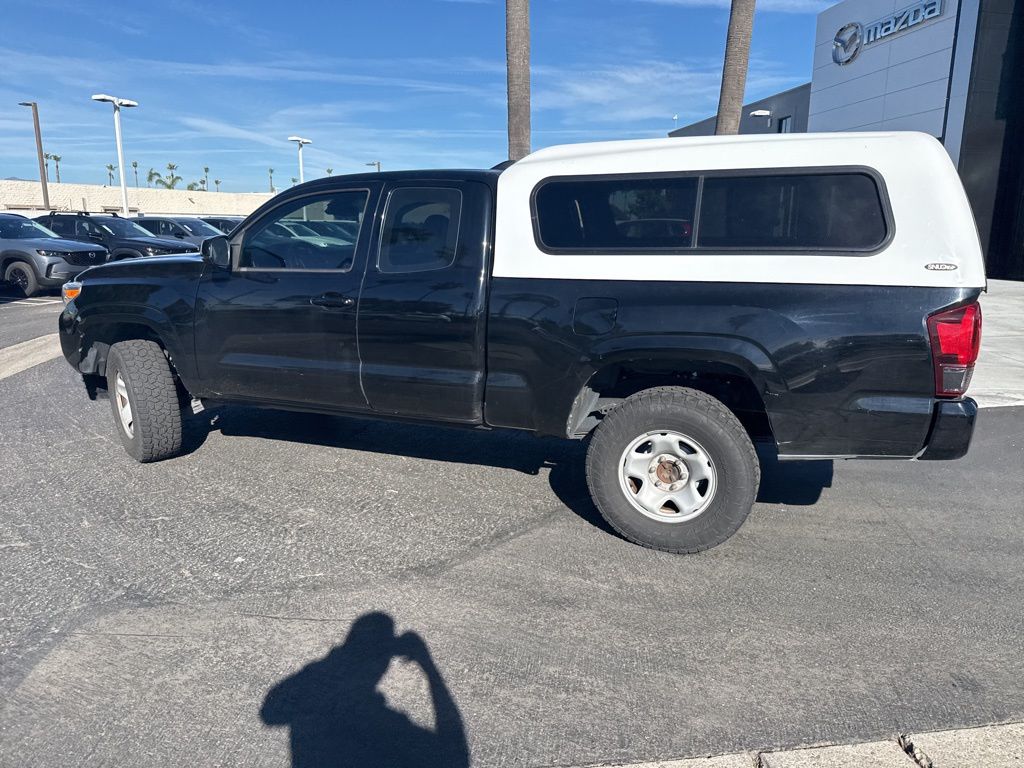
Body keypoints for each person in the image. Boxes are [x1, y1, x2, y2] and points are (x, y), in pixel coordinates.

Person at [260, 612, 470, 768]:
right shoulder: (381, 724)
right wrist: (429, 667)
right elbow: (455, 755)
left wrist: (333, 661)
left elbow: (270, 713)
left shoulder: (316, 705)